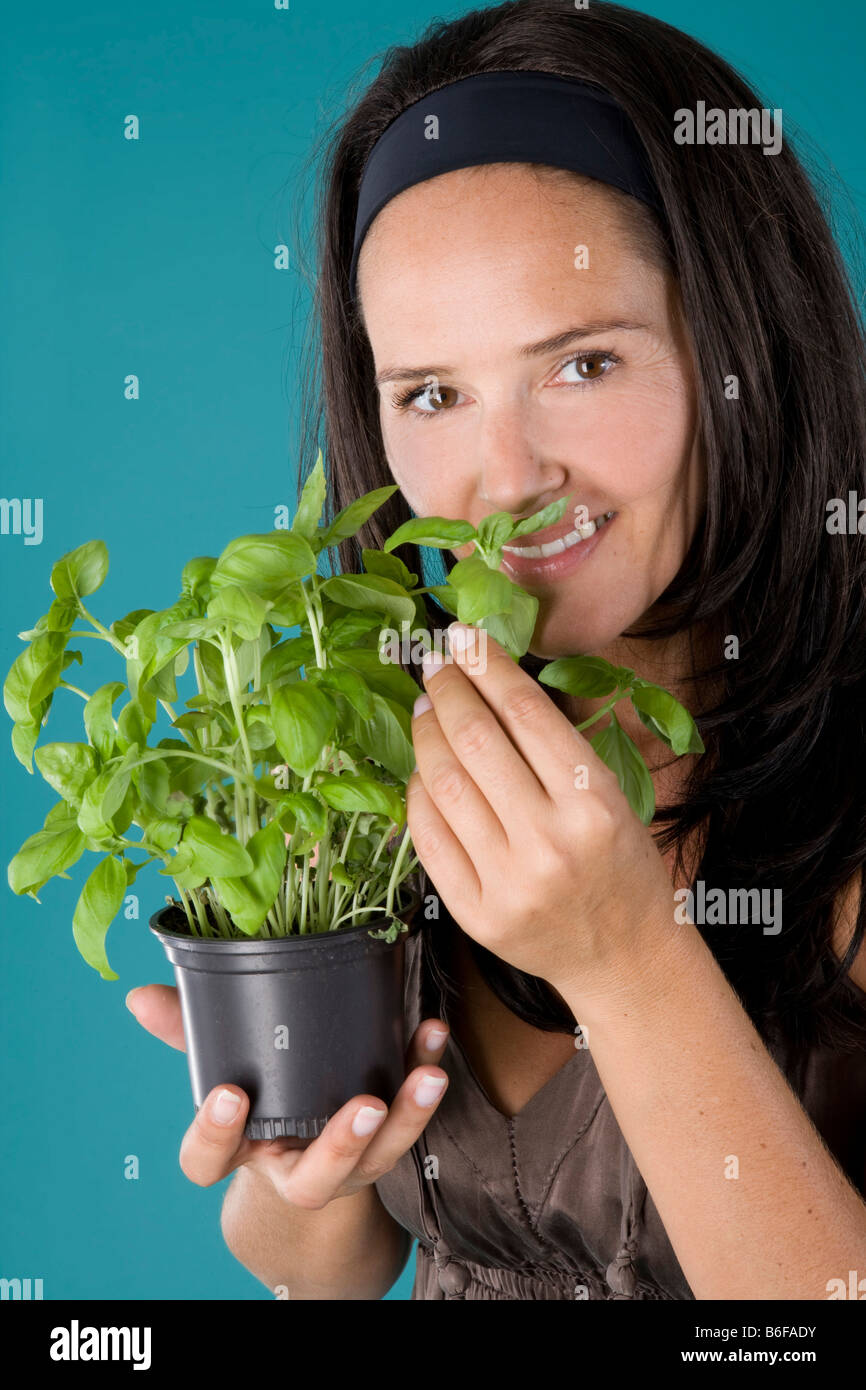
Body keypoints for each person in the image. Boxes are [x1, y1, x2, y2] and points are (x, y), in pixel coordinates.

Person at [127, 0, 866, 1299]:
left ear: (736, 349)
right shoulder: (363, 768)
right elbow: (323, 1265)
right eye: (431, 393)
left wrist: (625, 955)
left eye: (580, 364)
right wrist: (305, 1169)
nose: (504, 477)